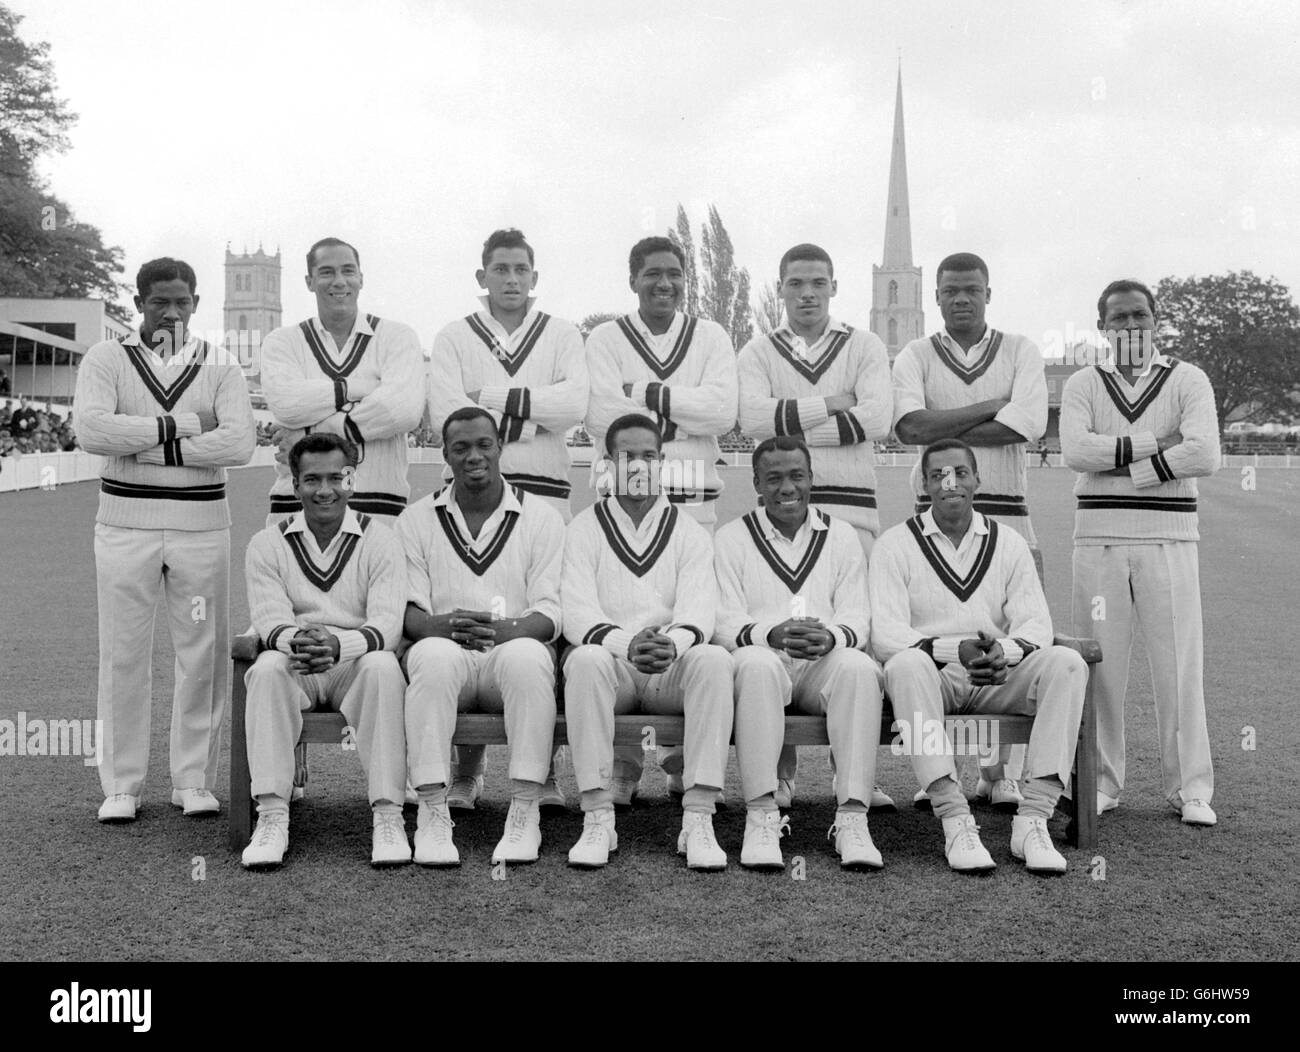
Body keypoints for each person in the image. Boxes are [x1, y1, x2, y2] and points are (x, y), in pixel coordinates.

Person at [74, 257, 255, 822]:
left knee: (199, 653)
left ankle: (192, 779)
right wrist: (184, 425)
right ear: (139, 305)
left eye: (181, 302)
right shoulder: (108, 358)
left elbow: (240, 445)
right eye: (159, 302)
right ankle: (122, 784)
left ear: (196, 304)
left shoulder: (220, 367)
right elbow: (91, 431)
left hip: (202, 528)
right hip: (125, 526)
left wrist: (142, 446)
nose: (171, 312)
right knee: (123, 653)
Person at [870, 439, 1087, 874]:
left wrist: (1002, 653)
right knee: (906, 663)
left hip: (996, 674)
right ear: (924, 484)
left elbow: (1035, 625)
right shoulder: (895, 544)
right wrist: (954, 650)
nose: (951, 483)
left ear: (977, 480)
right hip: (932, 678)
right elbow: (886, 633)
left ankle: (1034, 820)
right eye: (938, 475)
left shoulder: (1007, 543)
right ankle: (954, 817)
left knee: (1068, 663)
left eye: (960, 473)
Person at [427, 228, 587, 811]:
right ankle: (465, 772)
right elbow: (450, 415)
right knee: (471, 620)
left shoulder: (563, 334)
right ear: (482, 277)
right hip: (471, 499)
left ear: (535, 277)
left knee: (539, 631)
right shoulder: (453, 335)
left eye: (522, 268)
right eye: (501, 268)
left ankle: (539, 771)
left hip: (547, 500)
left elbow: (574, 405)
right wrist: (531, 411)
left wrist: (492, 398)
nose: (512, 278)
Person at [736, 242, 895, 811]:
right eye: (796, 283)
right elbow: (750, 418)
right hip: (778, 516)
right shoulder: (759, 348)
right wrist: (835, 402)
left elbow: (878, 417)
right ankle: (778, 775)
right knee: (777, 637)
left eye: (818, 283)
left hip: (853, 513)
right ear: (780, 288)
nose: (807, 293)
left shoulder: (866, 344)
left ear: (833, 287)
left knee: (856, 643)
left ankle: (853, 773)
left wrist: (793, 422)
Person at [584, 236, 738, 805]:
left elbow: (724, 410)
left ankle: (680, 764)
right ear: (633, 280)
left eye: (675, 274)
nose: (665, 284)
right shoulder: (605, 338)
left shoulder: (712, 335)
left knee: (688, 629)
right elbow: (604, 417)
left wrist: (643, 394)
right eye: (652, 274)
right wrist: (684, 406)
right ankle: (623, 766)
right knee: (622, 621)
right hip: (618, 506)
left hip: (695, 507)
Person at [1060, 279, 1220, 825]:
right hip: (1098, 538)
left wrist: (1122, 466)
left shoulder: (1187, 378)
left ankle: (1189, 788)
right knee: (1101, 666)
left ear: (1156, 320)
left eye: (1140, 317)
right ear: (1101, 325)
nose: (1131, 327)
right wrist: (1159, 444)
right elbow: (1074, 450)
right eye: (1119, 318)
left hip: (1170, 539)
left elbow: (1206, 454)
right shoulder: (1085, 381)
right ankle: (1103, 783)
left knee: (1178, 664)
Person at [892, 252, 1048, 809]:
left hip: (1010, 513)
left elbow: (1026, 423)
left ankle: (999, 773)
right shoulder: (915, 353)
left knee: (1008, 645)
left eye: (972, 289)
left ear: (988, 292)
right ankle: (941, 773)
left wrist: (944, 428)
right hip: (933, 517)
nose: (962, 298)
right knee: (937, 640)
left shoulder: (1021, 349)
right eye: (951, 290)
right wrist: (990, 406)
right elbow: (910, 426)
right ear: (935, 296)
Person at [561, 413, 733, 870]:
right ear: (606, 463)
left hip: (667, 670)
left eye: (649, 456)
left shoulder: (690, 531)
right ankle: (597, 815)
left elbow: (700, 612)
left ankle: (698, 816)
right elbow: (576, 613)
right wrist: (626, 644)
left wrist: (672, 645)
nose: (639, 465)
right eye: (627, 456)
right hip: (614, 668)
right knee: (584, 660)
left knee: (714, 660)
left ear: (663, 462)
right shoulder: (582, 528)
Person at [396, 407, 565, 867]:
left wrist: (504, 631)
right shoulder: (415, 519)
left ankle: (525, 810)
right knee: (430, 655)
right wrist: (440, 626)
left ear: (499, 447)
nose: (474, 456)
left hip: (504, 663)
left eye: (483, 445)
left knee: (530, 656)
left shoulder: (541, 517)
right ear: (444, 454)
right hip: (446, 659)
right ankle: (432, 811)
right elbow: (407, 611)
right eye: (461, 447)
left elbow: (550, 612)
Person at [715, 436, 885, 870]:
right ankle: (762, 814)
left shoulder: (842, 534)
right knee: (754, 665)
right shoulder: (732, 538)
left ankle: (852, 817)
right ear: (756, 482)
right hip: (762, 661)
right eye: (773, 478)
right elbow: (723, 621)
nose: (786, 488)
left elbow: (858, 615)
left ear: (811, 478)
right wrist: (770, 634)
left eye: (796, 476)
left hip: (818, 664)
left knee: (858, 667)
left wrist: (832, 638)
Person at [241, 434, 410, 868]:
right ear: (294, 485)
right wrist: (299, 643)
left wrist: (339, 645)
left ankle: (389, 814)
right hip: (300, 660)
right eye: (312, 479)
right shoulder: (267, 543)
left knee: (383, 667)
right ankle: (273, 814)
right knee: (265, 670)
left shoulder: (382, 539)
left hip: (353, 662)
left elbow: (388, 624)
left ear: (353, 479)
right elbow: (268, 617)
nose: (325, 490)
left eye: (337, 477)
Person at [260, 237, 425, 523]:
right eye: (327, 272)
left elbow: (405, 411)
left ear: (361, 278)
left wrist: (305, 433)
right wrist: (360, 389)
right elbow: (287, 405)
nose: (339, 281)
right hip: (295, 507)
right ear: (309, 281)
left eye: (348, 271)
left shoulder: (397, 337)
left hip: (378, 505)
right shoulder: (282, 342)